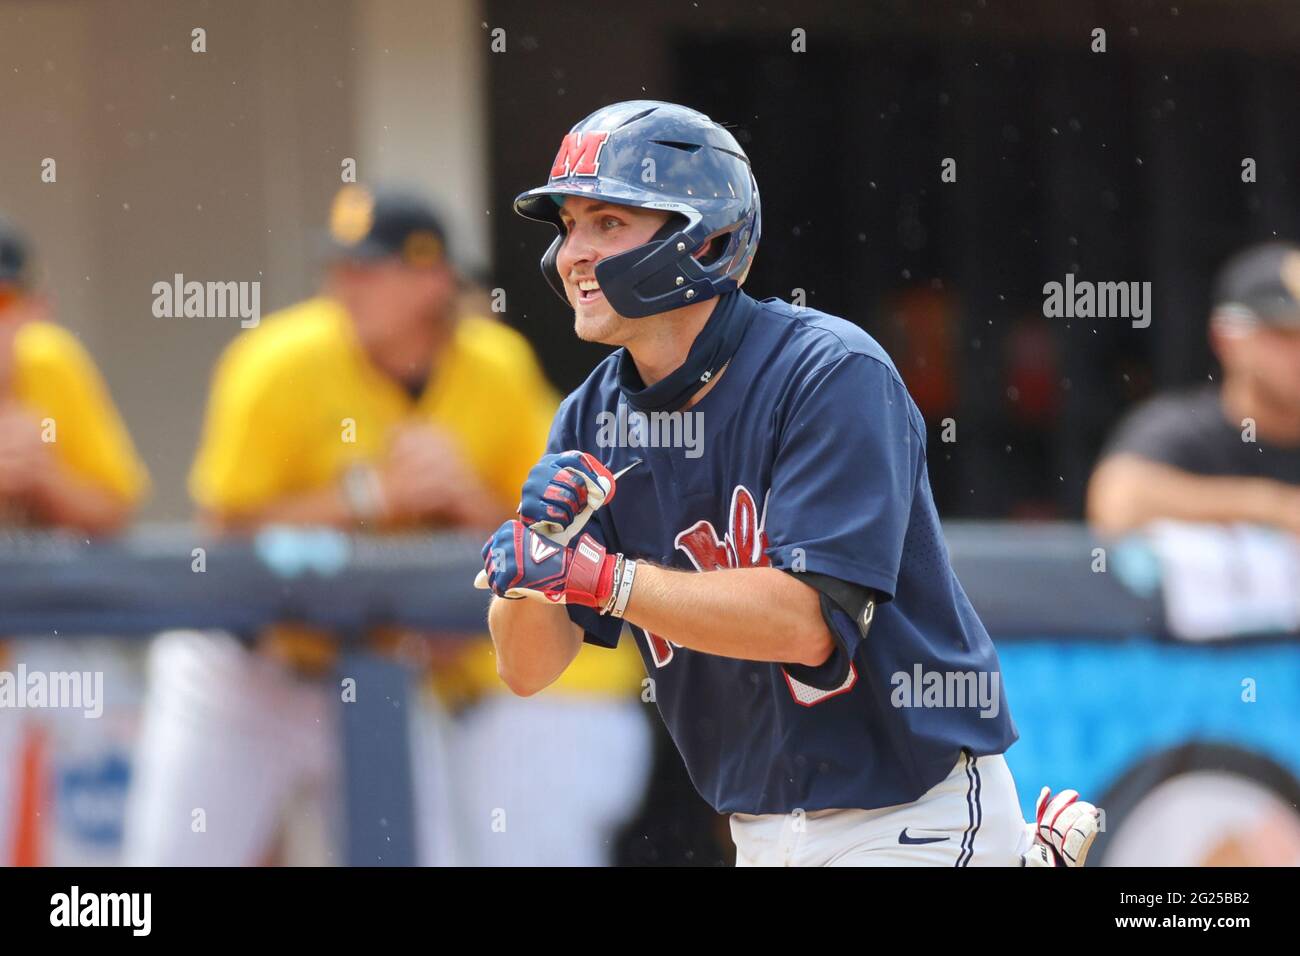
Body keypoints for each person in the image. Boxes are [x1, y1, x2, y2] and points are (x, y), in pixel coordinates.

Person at [478, 100, 1098, 867]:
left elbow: (807, 623)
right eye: (569, 225)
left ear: (702, 239)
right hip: (762, 830)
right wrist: (536, 563)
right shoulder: (590, 415)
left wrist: (604, 580)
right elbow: (526, 668)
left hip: (911, 809)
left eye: (608, 223)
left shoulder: (829, 371)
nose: (574, 253)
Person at [122, 185, 648, 866]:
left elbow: (575, 524)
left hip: (386, 669)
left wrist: (467, 498)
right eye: (339, 267)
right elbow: (222, 532)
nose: (345, 286)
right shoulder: (278, 361)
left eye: (369, 269)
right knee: (173, 861)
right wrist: (371, 494)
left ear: (433, 279)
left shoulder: (495, 364)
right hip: (248, 669)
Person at [0, 217, 150, 864]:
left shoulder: (52, 366)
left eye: (4, 304)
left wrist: (45, 479)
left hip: (40, 656)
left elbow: (116, 507)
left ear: (37, 308)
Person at [1089, 241, 1300, 536]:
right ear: (1227, 339)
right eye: (1283, 334)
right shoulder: (1185, 430)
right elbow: (1118, 504)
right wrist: (1271, 507)